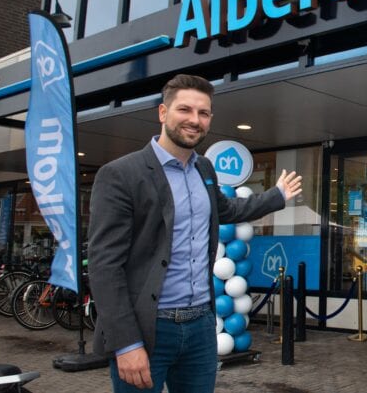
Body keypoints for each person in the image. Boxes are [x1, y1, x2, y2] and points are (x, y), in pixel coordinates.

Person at [88, 74, 302, 392]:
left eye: (203, 113)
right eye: (185, 110)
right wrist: (126, 344)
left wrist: (276, 196)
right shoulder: (121, 174)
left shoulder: (204, 169)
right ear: (163, 113)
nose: (194, 120)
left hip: (201, 326)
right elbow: (104, 266)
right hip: (147, 329)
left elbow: (227, 211)